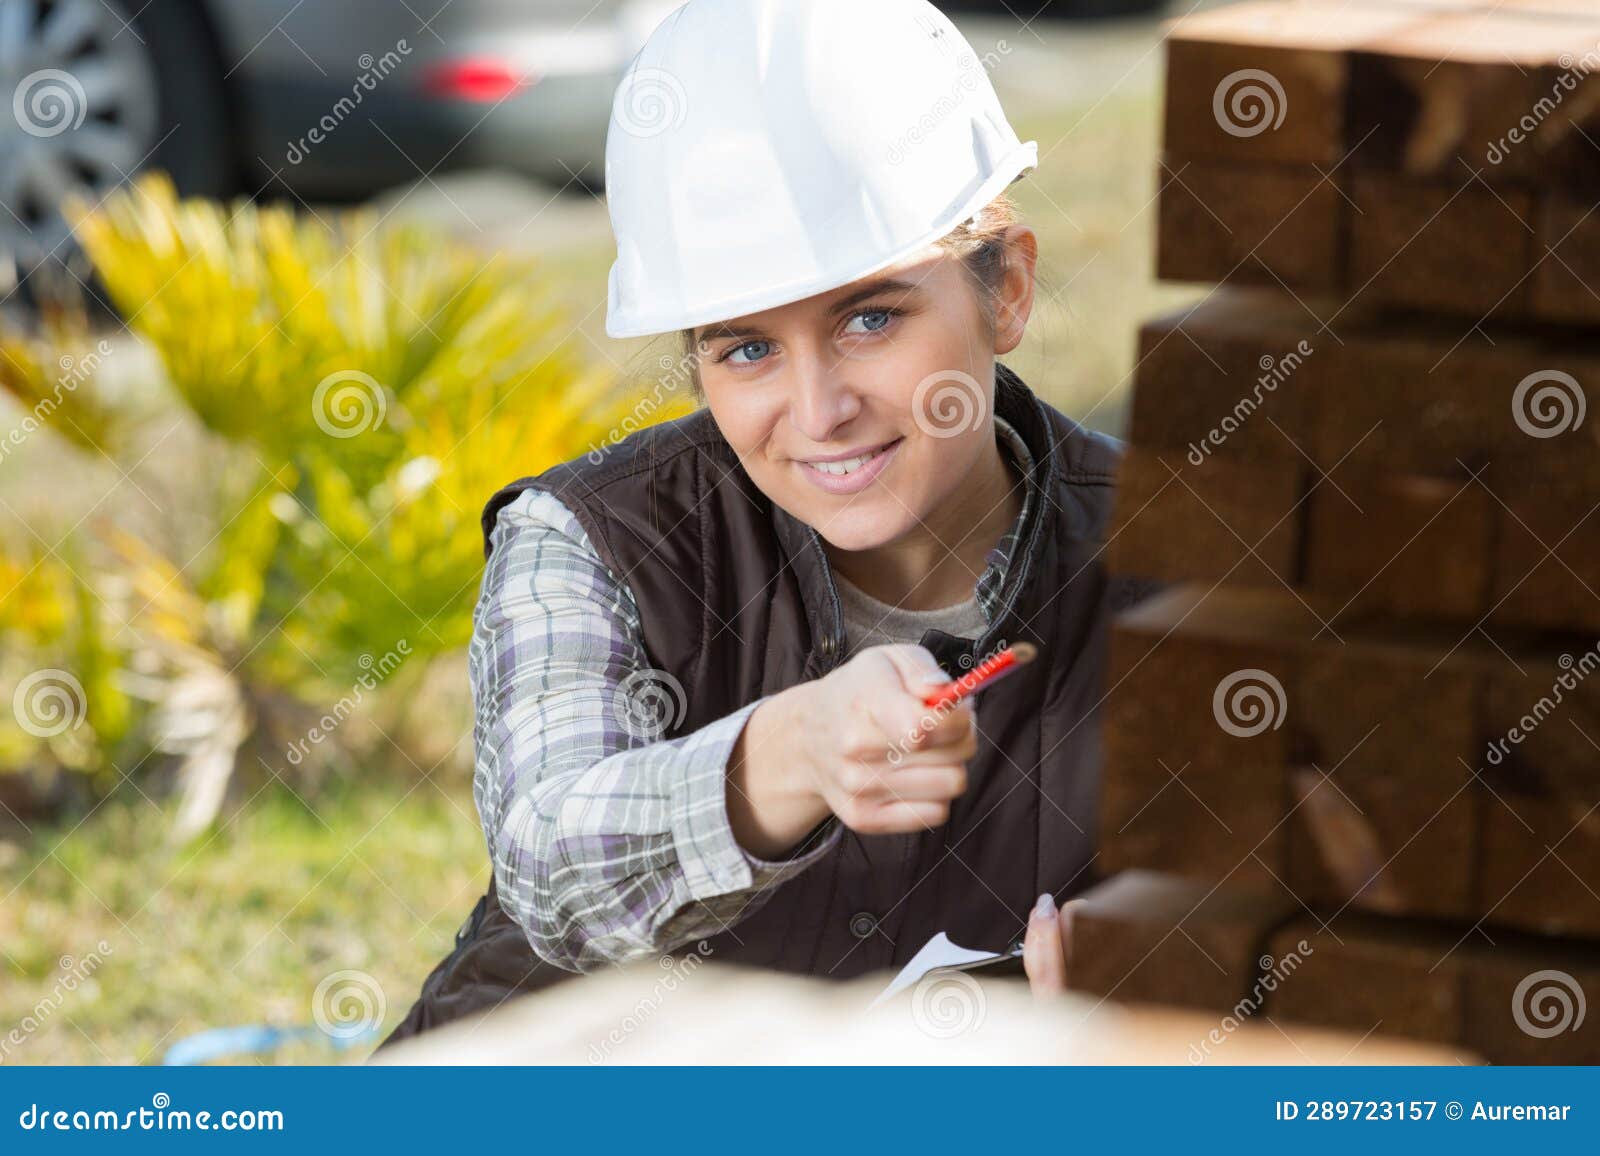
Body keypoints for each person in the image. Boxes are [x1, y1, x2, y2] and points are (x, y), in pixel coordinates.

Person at [381, 0, 1146, 1047]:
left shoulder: (1170, 553)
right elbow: (548, 863)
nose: (820, 409)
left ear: (1005, 290)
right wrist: (791, 751)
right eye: (746, 349)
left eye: (870, 318)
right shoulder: (588, 540)